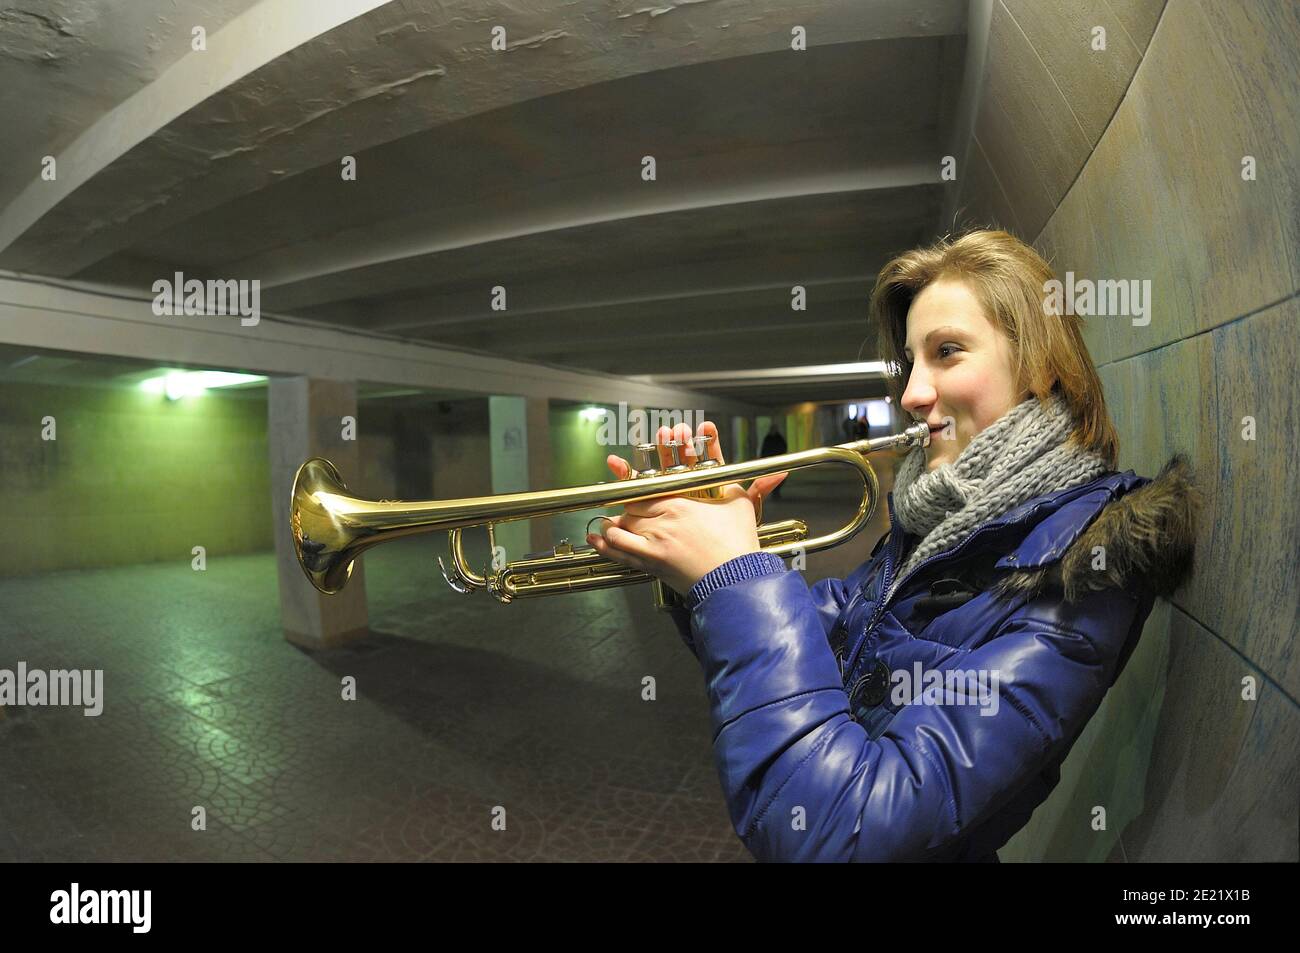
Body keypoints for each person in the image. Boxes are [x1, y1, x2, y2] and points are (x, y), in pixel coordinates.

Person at [587, 229, 1199, 862]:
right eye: (912, 361)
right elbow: (835, 636)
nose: (911, 394)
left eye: (948, 352)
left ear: (1040, 364)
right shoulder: (946, 512)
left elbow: (836, 830)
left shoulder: (1084, 569)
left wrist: (738, 579)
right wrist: (706, 577)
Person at [759, 425, 787, 499]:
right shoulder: (768, 438)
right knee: (772, 477)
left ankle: (776, 492)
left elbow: (783, 448)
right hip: (770, 462)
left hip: (777, 462)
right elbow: (764, 450)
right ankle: (775, 492)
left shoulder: (778, 438)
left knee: (779, 478)